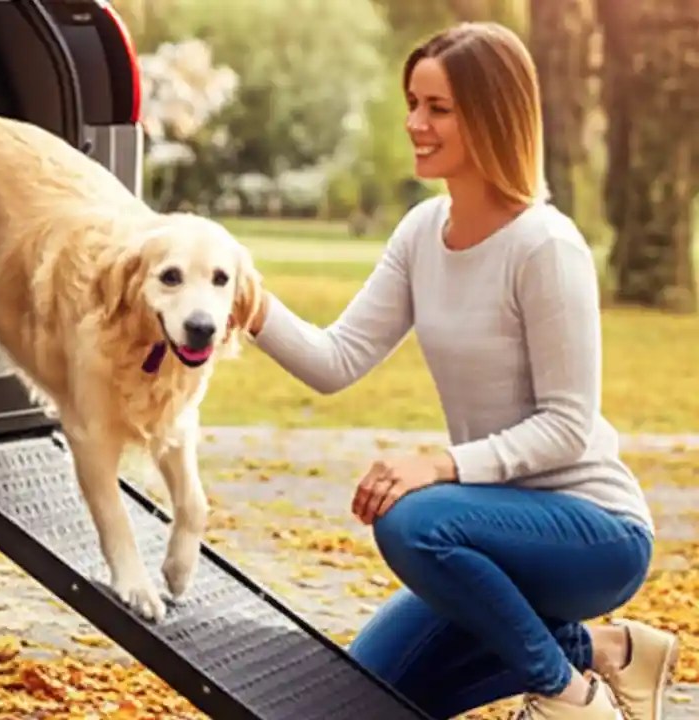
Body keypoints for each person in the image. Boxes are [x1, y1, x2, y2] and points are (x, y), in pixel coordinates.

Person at [242, 21, 679, 720]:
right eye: (414, 102)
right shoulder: (422, 232)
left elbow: (568, 427)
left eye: (437, 107)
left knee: (412, 520)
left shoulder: (545, 246)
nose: (416, 122)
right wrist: (246, 300)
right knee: (358, 700)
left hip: (593, 533)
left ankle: (571, 695)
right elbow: (336, 361)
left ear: (492, 114)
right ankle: (607, 652)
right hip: (491, 534)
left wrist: (441, 464)